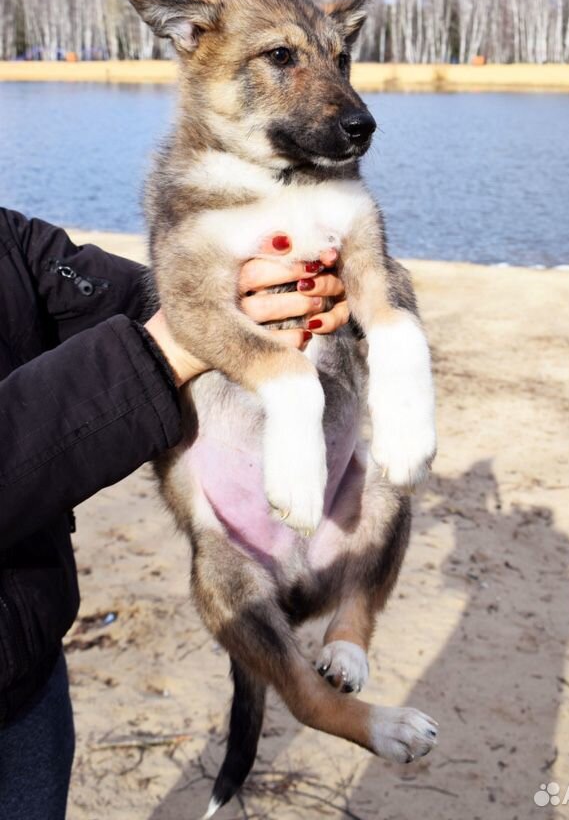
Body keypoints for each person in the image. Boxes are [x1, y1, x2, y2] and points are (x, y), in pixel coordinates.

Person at [0, 207, 348, 820]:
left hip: (27, 673)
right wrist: (170, 351)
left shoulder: (9, 239)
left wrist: (265, 291)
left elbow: (142, 294)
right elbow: (169, 332)